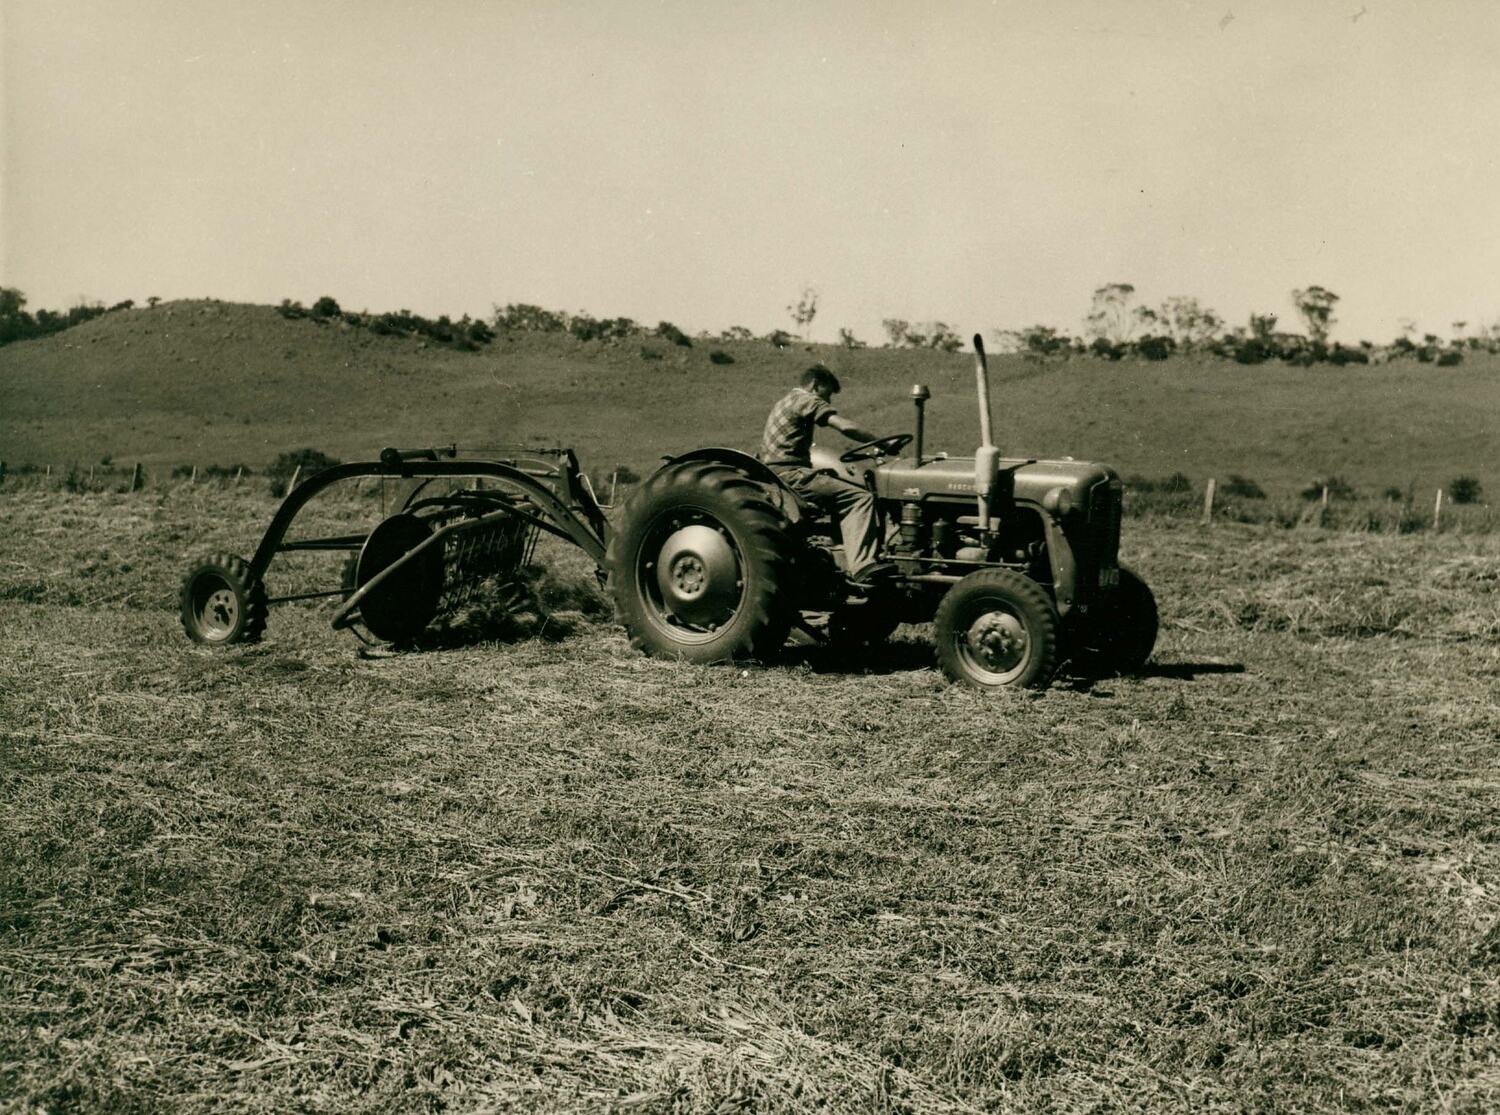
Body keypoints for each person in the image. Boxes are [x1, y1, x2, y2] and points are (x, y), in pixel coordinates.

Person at [759, 365, 892, 584]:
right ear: (814, 385)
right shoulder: (805, 400)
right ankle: (862, 565)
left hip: (777, 473)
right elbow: (845, 428)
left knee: (838, 486)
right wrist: (883, 443)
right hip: (792, 474)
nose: (828, 401)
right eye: (827, 394)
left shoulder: (784, 401)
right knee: (860, 498)